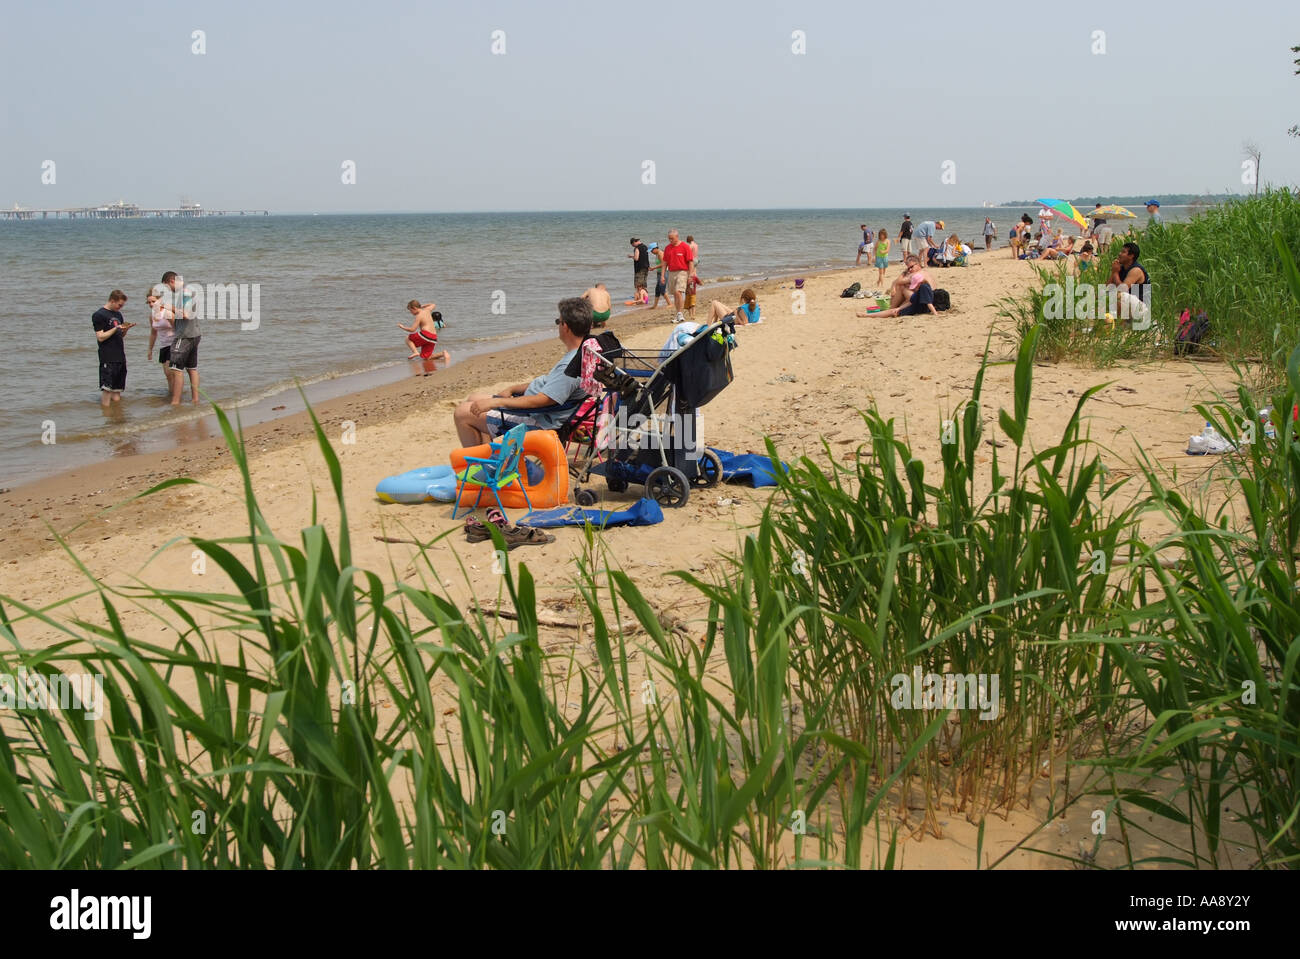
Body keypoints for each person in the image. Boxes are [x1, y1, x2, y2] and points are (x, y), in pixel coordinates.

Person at [453, 297, 593, 446]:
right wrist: (512, 388)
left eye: (558, 322)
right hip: (546, 412)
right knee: (474, 398)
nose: (558, 326)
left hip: (539, 421)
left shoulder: (570, 366)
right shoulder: (585, 353)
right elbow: (550, 384)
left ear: (565, 327)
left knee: (462, 413)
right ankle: (487, 456)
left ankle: (478, 466)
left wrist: (497, 402)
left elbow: (543, 400)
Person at [160, 271, 200, 406]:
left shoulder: (185, 293)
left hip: (184, 336)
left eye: (166, 287)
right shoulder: (186, 292)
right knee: (192, 369)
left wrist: (168, 307)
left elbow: (186, 315)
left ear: (171, 281)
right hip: (194, 333)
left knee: (176, 370)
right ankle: (195, 400)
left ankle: (175, 402)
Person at [93, 290, 133, 407]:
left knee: (117, 390)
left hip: (120, 356)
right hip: (108, 356)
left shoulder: (118, 314)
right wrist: (115, 329)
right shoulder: (99, 315)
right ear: (112, 300)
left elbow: (120, 335)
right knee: (107, 389)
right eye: (119, 305)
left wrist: (125, 329)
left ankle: (117, 415)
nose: (120, 308)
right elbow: (100, 337)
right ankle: (106, 414)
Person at [859, 269, 936, 318]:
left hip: (916, 309)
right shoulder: (924, 287)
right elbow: (910, 302)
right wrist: (899, 308)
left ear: (920, 283)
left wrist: (935, 314)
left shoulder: (923, 288)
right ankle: (867, 315)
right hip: (913, 306)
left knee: (891, 312)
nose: (914, 288)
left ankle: (867, 315)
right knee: (894, 310)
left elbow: (929, 303)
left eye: (915, 285)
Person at [1108, 241, 1150, 326]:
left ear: (1131, 256)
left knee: (1119, 295)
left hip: (1141, 308)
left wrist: (1115, 273)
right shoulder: (1121, 268)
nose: (1119, 254)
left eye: (1123, 252)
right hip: (1129, 306)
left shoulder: (1136, 270)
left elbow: (1123, 289)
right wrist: (1113, 272)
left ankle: (1120, 324)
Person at [145, 288, 178, 394]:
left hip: (173, 344)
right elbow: (153, 333)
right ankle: (171, 395)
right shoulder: (152, 316)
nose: (151, 304)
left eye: (153, 301)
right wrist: (150, 349)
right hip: (163, 346)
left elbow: (177, 329)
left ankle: (176, 397)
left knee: (171, 373)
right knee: (167, 375)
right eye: (149, 302)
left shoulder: (167, 313)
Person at [662, 229, 695, 321]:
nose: (670, 240)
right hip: (671, 272)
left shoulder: (685, 246)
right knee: (675, 294)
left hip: (683, 272)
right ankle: (678, 314)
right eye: (669, 239)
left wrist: (690, 275)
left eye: (672, 238)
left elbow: (690, 262)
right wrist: (662, 275)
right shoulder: (668, 248)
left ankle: (680, 313)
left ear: (677, 237)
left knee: (678, 291)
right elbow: (664, 262)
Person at [648, 242, 671, 309]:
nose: (651, 252)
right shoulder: (657, 254)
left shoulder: (660, 254)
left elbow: (664, 264)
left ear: (655, 248)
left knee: (662, 289)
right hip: (659, 273)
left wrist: (653, 268)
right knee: (657, 290)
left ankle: (669, 303)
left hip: (664, 273)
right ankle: (655, 306)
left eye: (652, 250)